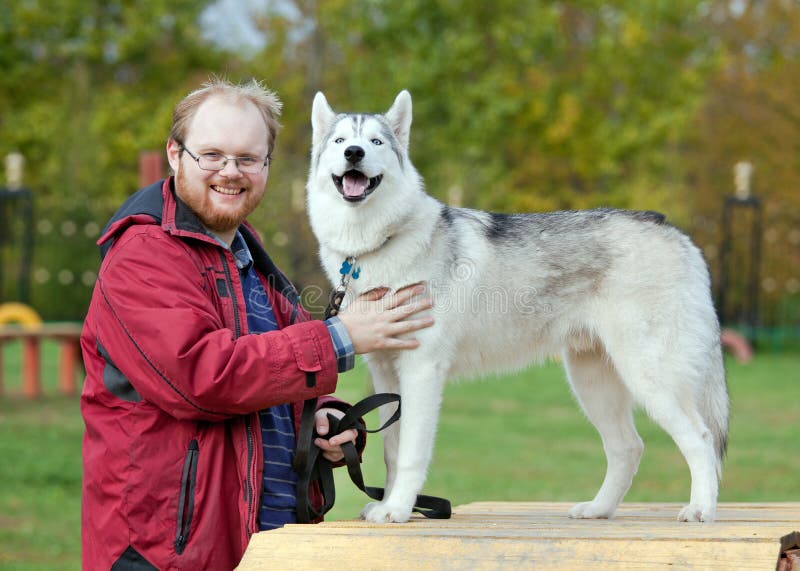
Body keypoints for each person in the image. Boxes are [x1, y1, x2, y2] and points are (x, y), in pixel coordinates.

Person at [80, 78, 434, 571]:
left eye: (248, 159)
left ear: (267, 166)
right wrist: (341, 337)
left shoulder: (250, 260)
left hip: (269, 546)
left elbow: (269, 378)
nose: (231, 172)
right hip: (171, 555)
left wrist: (322, 421)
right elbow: (204, 378)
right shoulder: (144, 257)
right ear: (175, 154)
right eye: (212, 155)